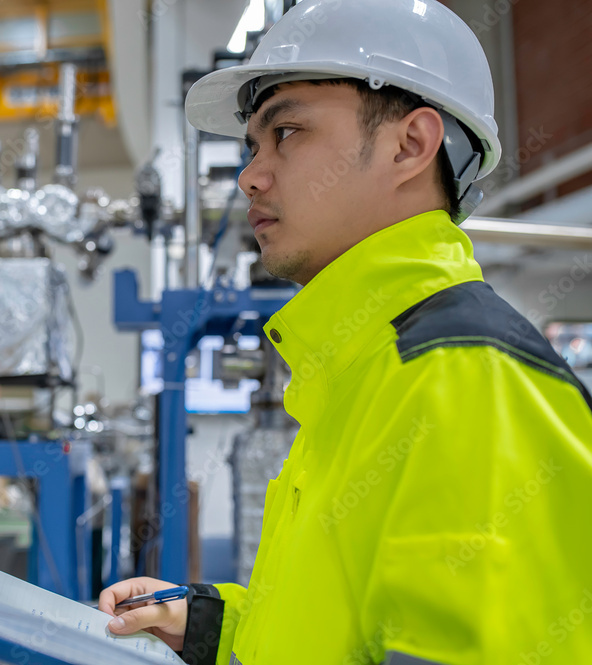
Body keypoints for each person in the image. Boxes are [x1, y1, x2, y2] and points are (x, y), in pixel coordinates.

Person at [99, 1, 592, 663]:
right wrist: (214, 626)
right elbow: (331, 637)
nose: (251, 175)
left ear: (411, 145)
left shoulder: (460, 375)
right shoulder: (361, 372)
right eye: (252, 145)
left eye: (289, 132)